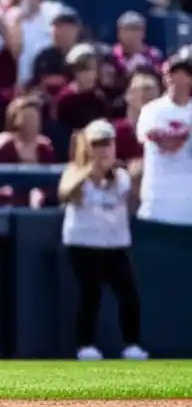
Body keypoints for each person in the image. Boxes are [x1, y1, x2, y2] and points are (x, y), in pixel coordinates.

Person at [58, 120, 147, 361]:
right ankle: (85, 345)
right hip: (83, 244)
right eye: (97, 144)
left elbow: (134, 202)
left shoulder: (122, 177)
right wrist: (89, 171)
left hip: (115, 244)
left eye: (108, 143)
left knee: (129, 294)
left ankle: (131, 344)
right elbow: (65, 193)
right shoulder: (75, 173)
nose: (104, 149)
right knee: (90, 294)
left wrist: (136, 177)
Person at [135, 47, 192, 226]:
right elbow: (166, 144)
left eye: (184, 73)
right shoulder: (151, 111)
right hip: (156, 202)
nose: (178, 78)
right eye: (173, 73)